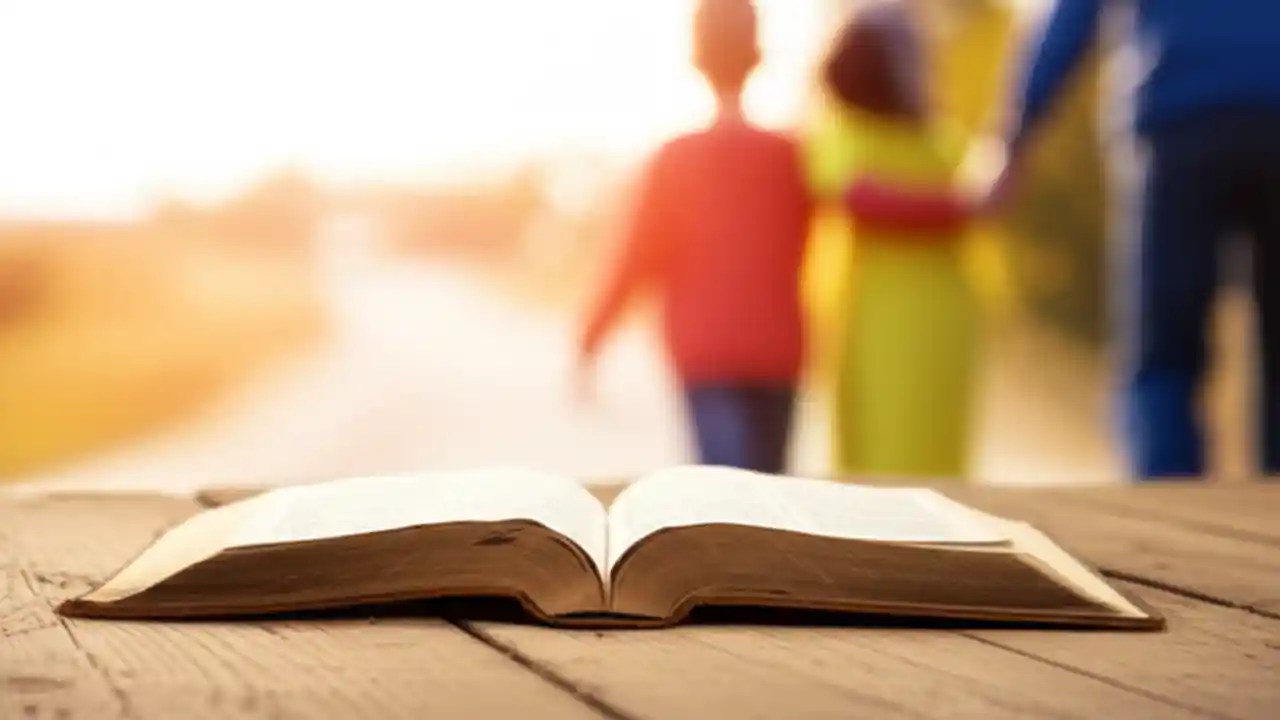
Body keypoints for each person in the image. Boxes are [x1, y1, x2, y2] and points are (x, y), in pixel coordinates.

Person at [988, 1, 1280, 479]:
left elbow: (1073, 16)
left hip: (1180, 118)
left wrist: (1015, 136)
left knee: (1163, 356)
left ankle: (1168, 510)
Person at [576, 0, 812, 473]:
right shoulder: (791, 156)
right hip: (778, 352)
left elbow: (634, 257)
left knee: (724, 506)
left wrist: (591, 338)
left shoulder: (676, 159)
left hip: (706, 355)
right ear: (757, 55)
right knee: (770, 498)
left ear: (696, 58)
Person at [807, 2, 978, 478]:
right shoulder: (932, 144)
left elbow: (863, 198)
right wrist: (958, 208)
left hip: (886, 312)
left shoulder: (854, 136)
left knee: (895, 454)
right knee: (898, 452)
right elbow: (864, 202)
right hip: (899, 313)